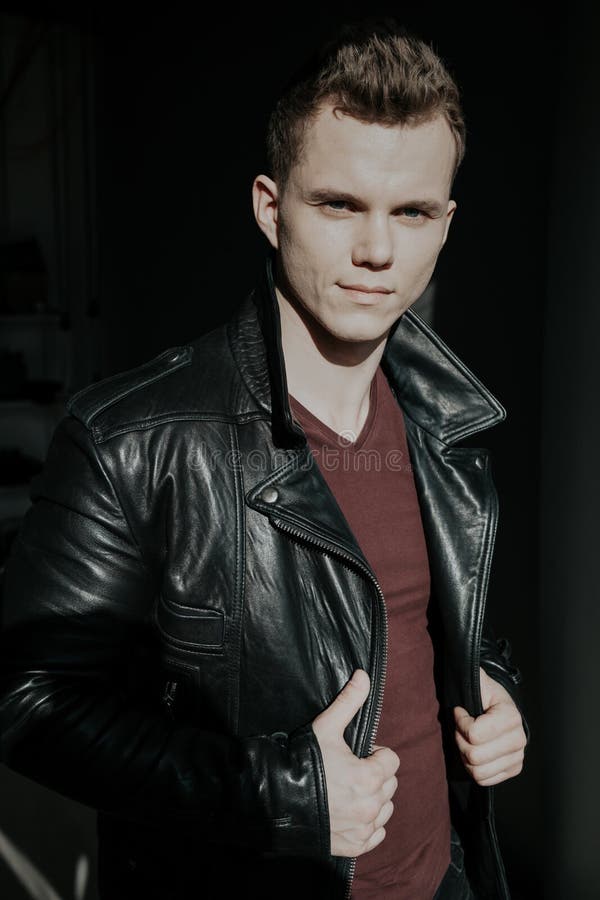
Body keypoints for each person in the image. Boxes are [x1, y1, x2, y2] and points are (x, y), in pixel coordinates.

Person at [0, 17, 527, 900]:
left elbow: (420, 627)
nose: (378, 250)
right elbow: (25, 702)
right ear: (269, 208)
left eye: (411, 212)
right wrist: (276, 795)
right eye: (339, 204)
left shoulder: (444, 422)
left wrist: (491, 686)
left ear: (445, 224)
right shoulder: (134, 438)